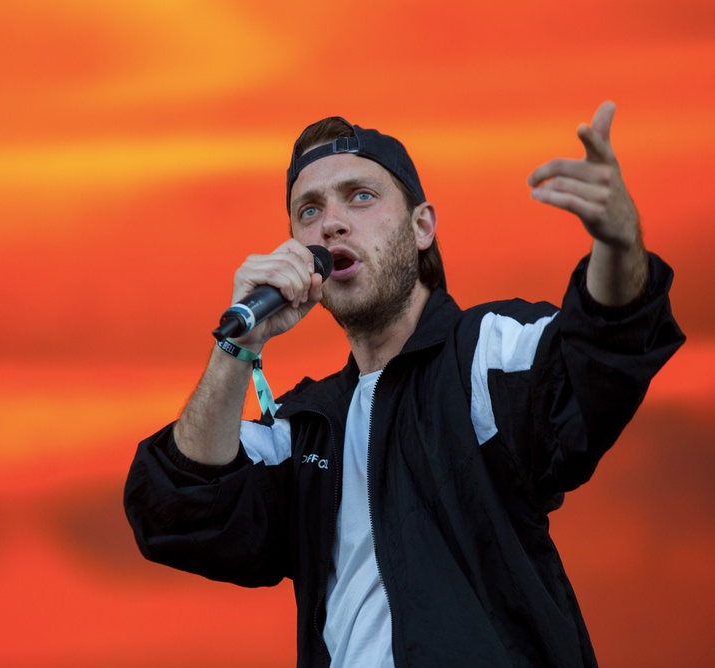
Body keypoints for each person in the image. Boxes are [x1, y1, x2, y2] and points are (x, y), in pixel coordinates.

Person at [124, 102, 685, 667]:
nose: (331, 223)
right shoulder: (309, 430)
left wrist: (618, 243)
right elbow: (179, 505)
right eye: (309, 210)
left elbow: (599, 352)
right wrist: (237, 347)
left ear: (422, 226)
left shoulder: (483, 354)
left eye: (360, 196)